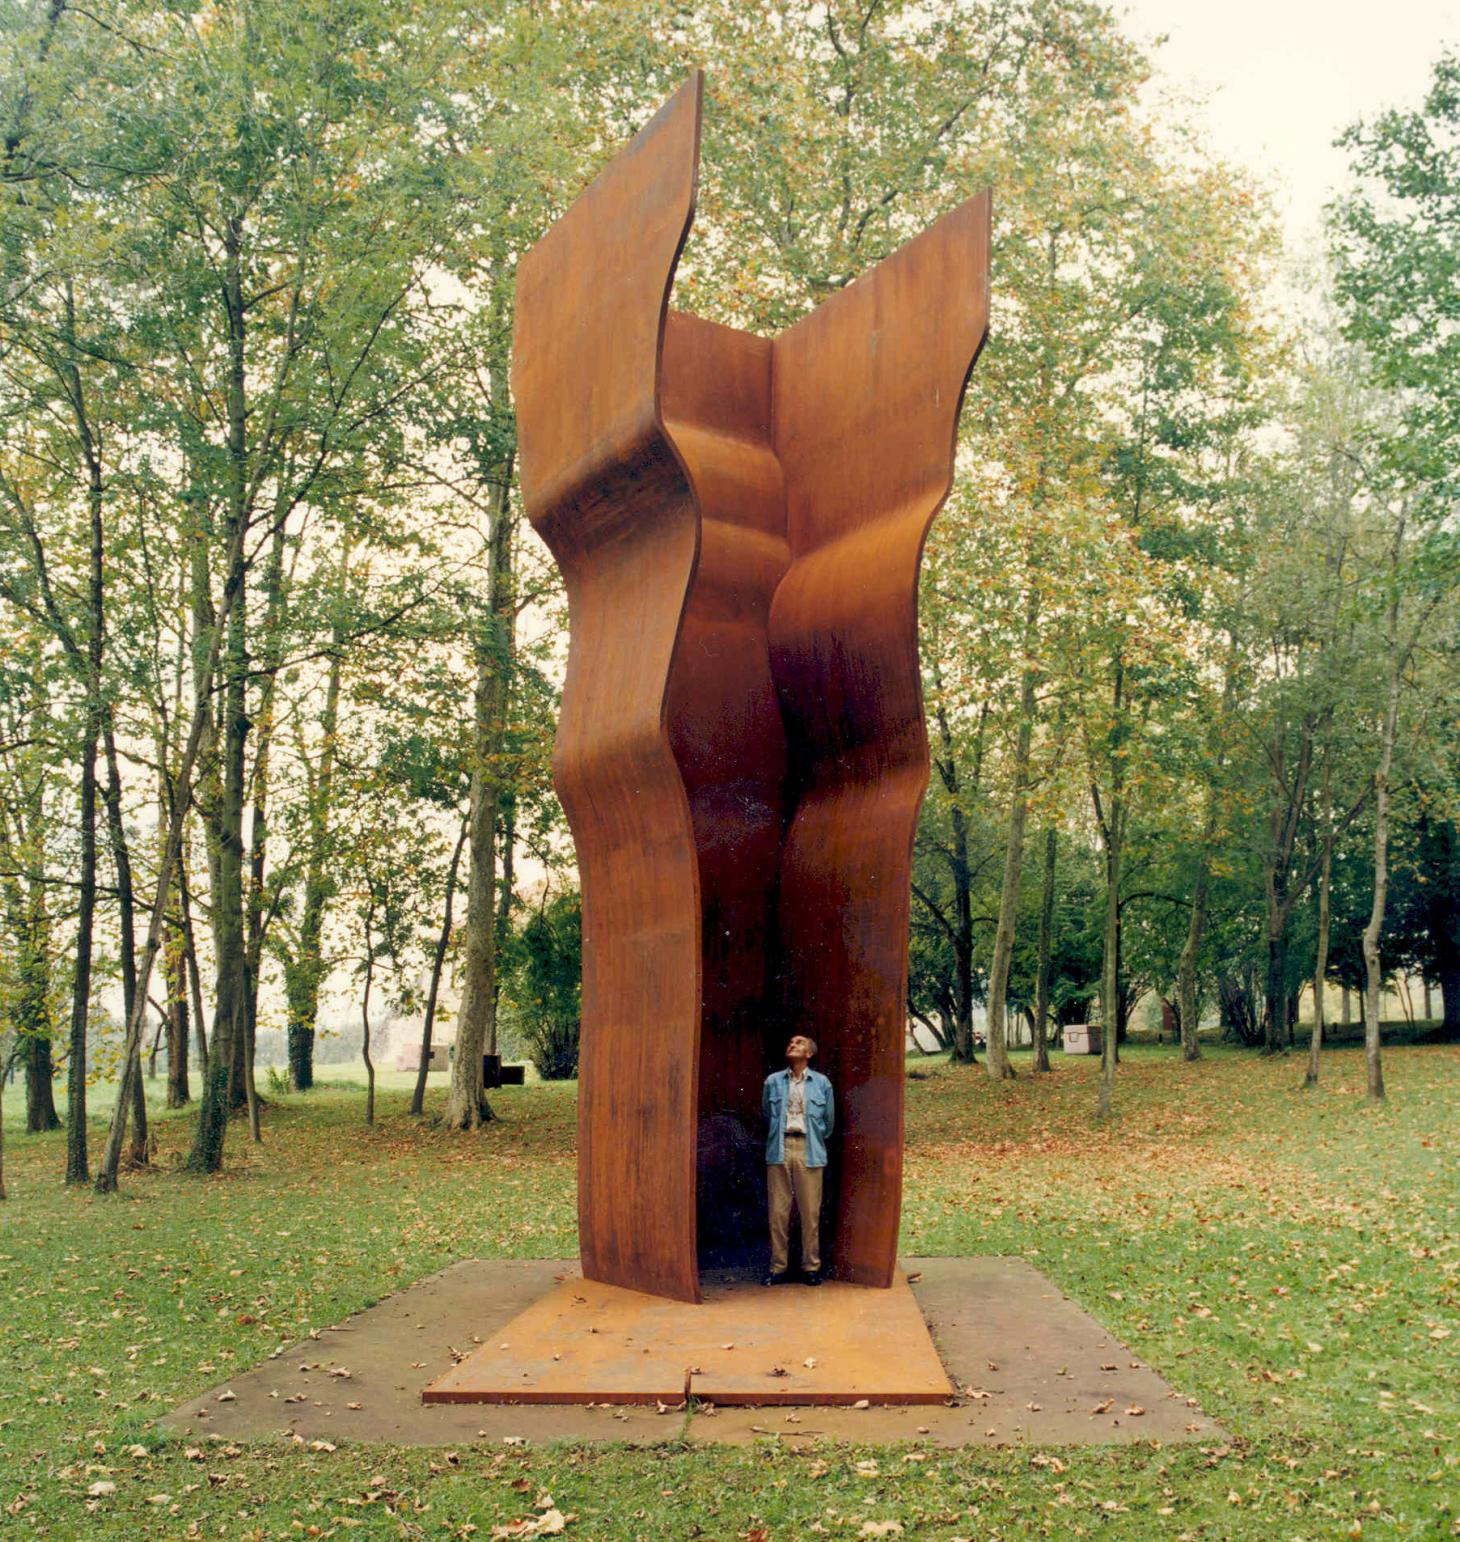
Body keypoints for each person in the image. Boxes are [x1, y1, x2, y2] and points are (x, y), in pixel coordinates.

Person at [761, 1033, 834, 1286]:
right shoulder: (772, 1082)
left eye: (799, 1043)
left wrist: (810, 1137)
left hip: (809, 1149)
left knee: (810, 1212)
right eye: (790, 1042)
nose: (792, 1044)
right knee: (778, 1212)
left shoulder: (822, 1083)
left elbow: (828, 1123)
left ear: (809, 1054)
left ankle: (810, 1267)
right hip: (779, 1148)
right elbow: (767, 1116)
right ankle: (778, 1268)